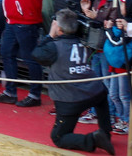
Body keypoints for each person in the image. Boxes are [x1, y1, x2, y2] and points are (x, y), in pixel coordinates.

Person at [34, 9, 115, 154]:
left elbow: (36, 54)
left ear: (58, 28)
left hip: (70, 99)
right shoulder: (85, 39)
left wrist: (50, 35)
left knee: (58, 137)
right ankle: (105, 132)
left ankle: (94, 139)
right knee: (102, 94)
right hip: (94, 91)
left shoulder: (54, 46)